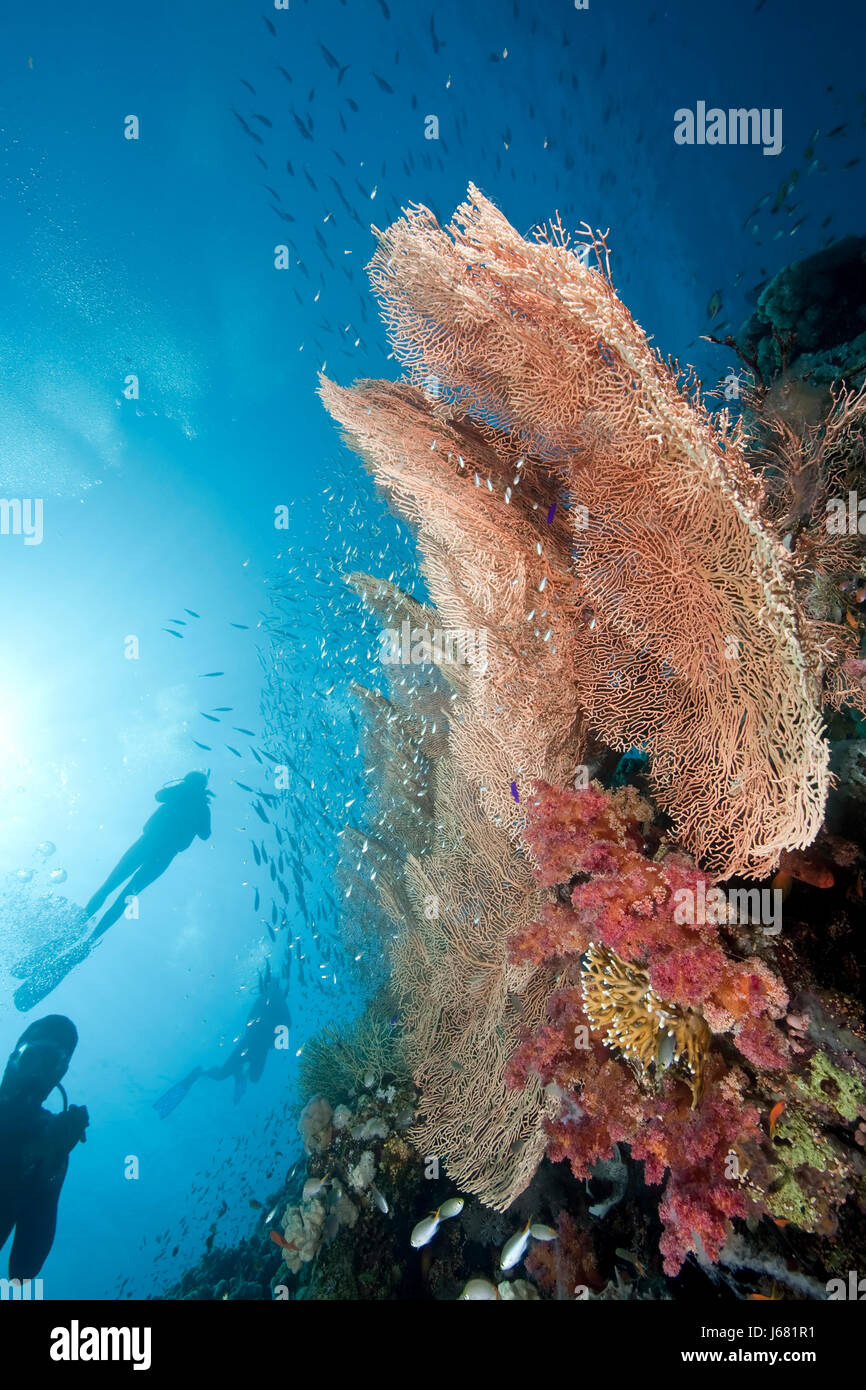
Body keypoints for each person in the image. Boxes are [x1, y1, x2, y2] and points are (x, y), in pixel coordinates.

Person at [13, 772, 214, 1012]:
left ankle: (78, 929)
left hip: (148, 844)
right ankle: (88, 937)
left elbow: (162, 797)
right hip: (161, 853)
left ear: (191, 782)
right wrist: (198, 805)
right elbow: (203, 833)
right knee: (124, 896)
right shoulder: (200, 805)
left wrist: (184, 792)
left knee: (112, 888)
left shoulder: (185, 796)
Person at [0, 1016, 88, 1280]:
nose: (35, 1074)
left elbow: (22, 1271)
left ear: (58, 1075)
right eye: (30, 1058)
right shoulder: (45, 1139)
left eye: (49, 1063)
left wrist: (51, 1164)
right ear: (11, 1059)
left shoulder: (50, 1141)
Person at [154, 964, 290, 1117]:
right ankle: (200, 1072)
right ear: (269, 987)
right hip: (248, 1044)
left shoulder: (281, 1007)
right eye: (270, 986)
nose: (272, 990)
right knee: (220, 1076)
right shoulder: (262, 1000)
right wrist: (268, 1035)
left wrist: (275, 1041)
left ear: (278, 989)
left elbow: (284, 1031)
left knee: (254, 1078)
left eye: (275, 987)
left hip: (261, 1049)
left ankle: (238, 1072)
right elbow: (250, 1023)